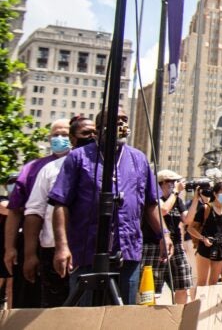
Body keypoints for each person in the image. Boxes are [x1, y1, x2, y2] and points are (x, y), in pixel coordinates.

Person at [50, 108, 168, 305]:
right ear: (98, 129)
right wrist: (62, 247)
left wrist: (163, 234)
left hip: (128, 252)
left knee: (123, 314)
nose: (121, 124)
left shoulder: (138, 158)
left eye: (124, 119)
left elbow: (150, 204)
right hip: (88, 251)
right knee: (85, 314)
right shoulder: (78, 157)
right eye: (115, 119)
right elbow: (60, 203)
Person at [22, 115, 96, 307]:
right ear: (73, 138)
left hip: (89, 252)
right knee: (54, 311)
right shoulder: (50, 169)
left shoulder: (104, 169)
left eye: (95, 133)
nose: (92, 137)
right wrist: (30, 254)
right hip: (54, 251)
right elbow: (34, 212)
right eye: (86, 133)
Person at [3, 119, 71, 308]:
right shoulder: (34, 168)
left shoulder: (83, 164)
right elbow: (16, 210)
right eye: (55, 135)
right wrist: (11, 249)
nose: (59, 138)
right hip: (41, 246)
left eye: (65, 134)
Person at [138, 170, 195, 303]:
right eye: (172, 181)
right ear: (162, 183)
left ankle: (180, 313)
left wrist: (196, 199)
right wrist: (176, 191)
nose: (175, 184)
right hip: (154, 245)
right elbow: (163, 210)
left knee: (183, 284)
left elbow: (187, 219)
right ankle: (147, 313)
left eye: (176, 182)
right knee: (151, 287)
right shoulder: (154, 198)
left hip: (176, 245)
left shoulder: (177, 200)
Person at [188, 182, 222, 287]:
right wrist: (203, 239)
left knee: (214, 282)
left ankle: (210, 299)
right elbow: (190, 228)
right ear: (215, 193)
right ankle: (198, 298)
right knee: (202, 282)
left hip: (220, 247)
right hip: (205, 247)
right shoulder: (206, 208)